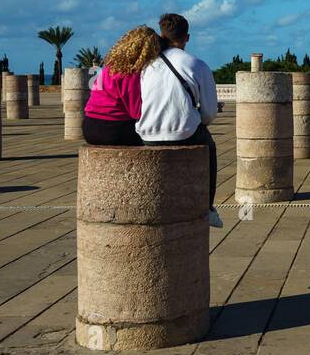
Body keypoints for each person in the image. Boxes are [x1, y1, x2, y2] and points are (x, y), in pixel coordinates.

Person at [138, 13, 222, 228]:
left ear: (162, 35)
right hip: (185, 133)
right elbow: (210, 112)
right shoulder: (196, 64)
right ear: (187, 37)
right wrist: (199, 120)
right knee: (209, 147)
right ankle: (208, 206)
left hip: (146, 134)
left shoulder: (147, 66)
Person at [83, 26, 159, 146]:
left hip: (89, 126)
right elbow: (136, 112)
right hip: (113, 129)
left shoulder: (108, 68)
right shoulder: (131, 74)